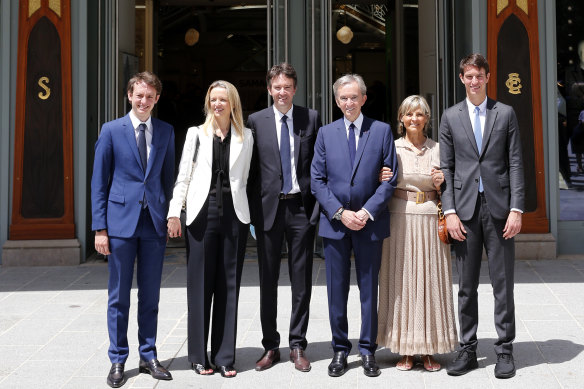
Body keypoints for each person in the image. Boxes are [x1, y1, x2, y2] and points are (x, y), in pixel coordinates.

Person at [440, 53, 524, 379]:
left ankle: (504, 350)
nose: (474, 81)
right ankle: (468, 349)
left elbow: (516, 162)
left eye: (479, 75)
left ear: (488, 77)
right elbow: (446, 167)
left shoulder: (505, 113)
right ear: (461, 79)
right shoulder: (450, 117)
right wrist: (448, 211)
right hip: (464, 211)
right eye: (468, 76)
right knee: (466, 286)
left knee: (503, 285)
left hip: (501, 210)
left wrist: (517, 208)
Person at [91, 71, 175, 388]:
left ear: (156, 99)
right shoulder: (111, 131)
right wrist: (100, 228)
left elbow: (168, 179)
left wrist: (170, 215)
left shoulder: (166, 132)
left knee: (150, 295)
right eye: (139, 95)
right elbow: (99, 183)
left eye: (150, 96)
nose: (144, 101)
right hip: (120, 224)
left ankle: (148, 354)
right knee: (119, 296)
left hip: (153, 224)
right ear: (130, 96)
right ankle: (117, 359)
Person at [311, 74, 398, 377]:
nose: (348, 102)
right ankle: (339, 349)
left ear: (363, 98)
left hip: (369, 223)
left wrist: (366, 211)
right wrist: (339, 212)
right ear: (337, 101)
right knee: (336, 290)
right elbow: (317, 181)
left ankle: (367, 350)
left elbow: (391, 181)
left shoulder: (382, 131)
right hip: (335, 224)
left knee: (368, 289)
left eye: (353, 97)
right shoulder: (325, 133)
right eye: (343, 98)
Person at [167, 81, 253, 378]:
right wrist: (174, 212)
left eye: (223, 100)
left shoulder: (246, 136)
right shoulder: (196, 134)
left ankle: (225, 356)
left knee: (229, 286)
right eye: (213, 99)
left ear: (233, 104)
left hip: (234, 216)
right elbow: (184, 175)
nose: (218, 104)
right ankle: (198, 356)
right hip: (201, 215)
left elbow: (245, 178)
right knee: (200, 286)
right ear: (208, 103)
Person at [247, 63, 321, 372]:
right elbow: (249, 172)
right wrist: (251, 214)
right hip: (268, 211)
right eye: (276, 87)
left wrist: (316, 209)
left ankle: (297, 344)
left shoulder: (310, 118)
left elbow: (319, 165)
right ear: (269, 89)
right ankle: (270, 345)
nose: (282, 92)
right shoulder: (255, 121)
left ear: (294, 89)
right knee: (268, 280)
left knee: (301, 280)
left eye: (287, 87)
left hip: (300, 210)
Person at [377, 95, 458, 372]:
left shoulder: (438, 148)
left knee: (430, 280)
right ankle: (405, 348)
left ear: (427, 118)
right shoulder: (393, 148)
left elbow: (452, 181)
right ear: (401, 118)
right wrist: (381, 176)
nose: (414, 119)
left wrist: (442, 181)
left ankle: (429, 350)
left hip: (430, 219)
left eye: (420, 114)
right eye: (409, 114)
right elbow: (380, 179)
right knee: (403, 281)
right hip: (400, 218)